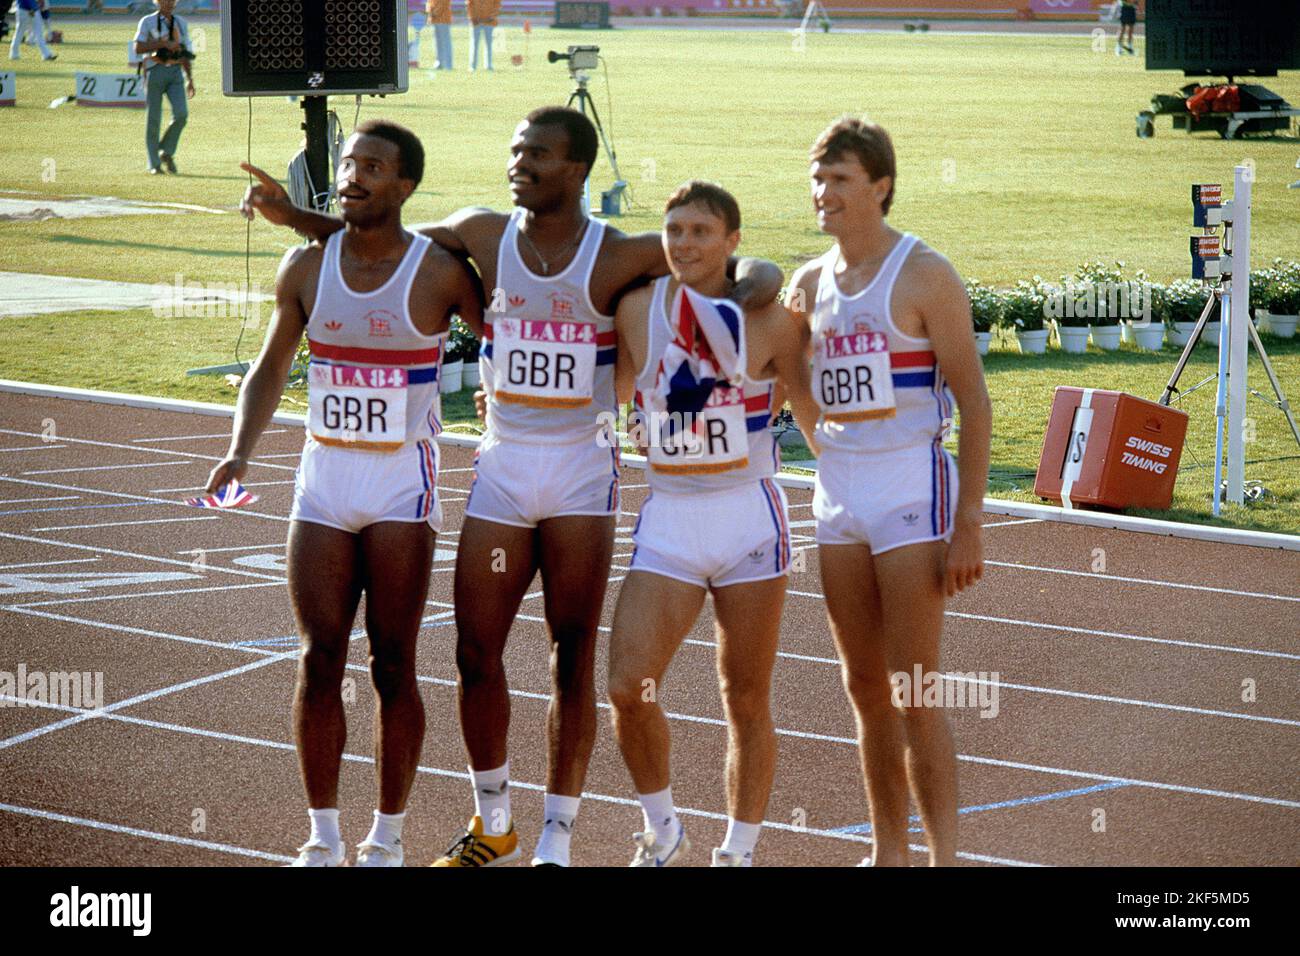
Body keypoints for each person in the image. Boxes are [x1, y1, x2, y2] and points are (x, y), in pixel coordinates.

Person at [240, 106, 782, 867]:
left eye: (537, 153)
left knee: (571, 652)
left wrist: (763, 279)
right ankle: (494, 821)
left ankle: (558, 833)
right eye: (515, 150)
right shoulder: (481, 235)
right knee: (474, 652)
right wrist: (293, 216)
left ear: (577, 169)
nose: (518, 162)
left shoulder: (619, 255)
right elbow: (386, 246)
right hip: (501, 470)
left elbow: (736, 270)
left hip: (581, 475)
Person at [210, 120, 483, 867]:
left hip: (402, 486)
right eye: (347, 163)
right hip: (323, 483)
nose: (352, 175)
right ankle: (323, 836)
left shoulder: (439, 272)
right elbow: (269, 369)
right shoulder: (304, 266)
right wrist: (239, 452)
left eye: (372, 165)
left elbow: (509, 334)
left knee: (393, 661)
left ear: (406, 185)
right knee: (319, 657)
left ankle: (387, 838)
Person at [786, 117, 991, 867]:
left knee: (914, 690)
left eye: (839, 179)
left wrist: (968, 522)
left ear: (881, 186)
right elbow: (790, 381)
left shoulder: (924, 273)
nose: (824, 192)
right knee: (864, 688)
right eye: (817, 178)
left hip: (912, 489)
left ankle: (943, 858)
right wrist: (822, 442)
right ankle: (887, 853)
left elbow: (975, 401)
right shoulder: (807, 284)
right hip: (837, 497)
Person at [605, 181, 818, 867]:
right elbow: (610, 399)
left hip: (749, 522)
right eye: (675, 230)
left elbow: (817, 427)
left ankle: (739, 852)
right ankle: (663, 830)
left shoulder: (771, 322)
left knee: (746, 697)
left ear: (732, 241)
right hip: (670, 519)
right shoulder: (637, 310)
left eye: (701, 231)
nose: (685, 243)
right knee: (626, 687)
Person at [133, 0, 193, 175]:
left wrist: (190, 78)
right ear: (157, 2)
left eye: (172, 1)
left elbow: (184, 51)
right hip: (154, 70)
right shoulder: (147, 21)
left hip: (175, 72)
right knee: (154, 118)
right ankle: (154, 163)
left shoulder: (181, 23)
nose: (169, 3)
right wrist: (162, 44)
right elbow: (138, 47)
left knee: (182, 114)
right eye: (165, 0)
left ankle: (166, 151)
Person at [467, 0, 499, 72]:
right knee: (474, 44)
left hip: (489, 21)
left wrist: (492, 16)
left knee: (488, 44)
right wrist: (472, 17)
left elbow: (497, 4)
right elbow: (469, 4)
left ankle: (488, 65)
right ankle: (472, 66)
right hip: (476, 21)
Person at [428, 0, 453, 71]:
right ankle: (439, 62)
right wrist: (430, 12)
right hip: (435, 19)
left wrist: (434, 12)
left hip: (443, 19)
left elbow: (443, 3)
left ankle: (448, 65)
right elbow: (430, 2)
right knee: (437, 43)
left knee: (446, 43)